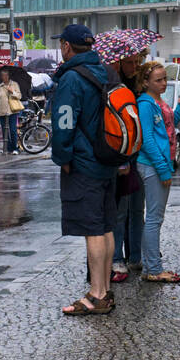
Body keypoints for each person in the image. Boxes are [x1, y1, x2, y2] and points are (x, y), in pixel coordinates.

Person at [51, 24, 118, 315]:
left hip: (84, 164)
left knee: (92, 230)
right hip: (108, 160)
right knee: (105, 226)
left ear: (66, 46)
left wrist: (63, 157)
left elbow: (64, 122)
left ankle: (96, 294)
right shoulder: (106, 72)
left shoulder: (71, 79)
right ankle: (105, 290)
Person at [137, 60, 180, 283]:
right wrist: (162, 169)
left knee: (154, 218)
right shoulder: (146, 104)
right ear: (145, 81)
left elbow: (167, 128)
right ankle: (154, 269)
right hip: (151, 165)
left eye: (165, 78)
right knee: (154, 219)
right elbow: (147, 139)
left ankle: (150, 266)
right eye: (158, 80)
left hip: (158, 163)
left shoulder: (157, 101)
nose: (163, 83)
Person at [111, 50, 149, 281]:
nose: (133, 66)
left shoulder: (140, 88)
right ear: (119, 63)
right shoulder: (116, 88)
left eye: (137, 62)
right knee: (120, 211)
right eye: (129, 62)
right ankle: (117, 258)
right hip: (124, 155)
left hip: (139, 155)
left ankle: (135, 256)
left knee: (137, 209)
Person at [0, 67, 22, 155]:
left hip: (12, 111)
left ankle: (15, 148)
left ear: (8, 76)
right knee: (4, 131)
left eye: (6, 75)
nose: (4, 77)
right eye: (2, 75)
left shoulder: (14, 84)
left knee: (13, 130)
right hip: (2, 111)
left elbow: (19, 96)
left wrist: (12, 91)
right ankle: (7, 148)